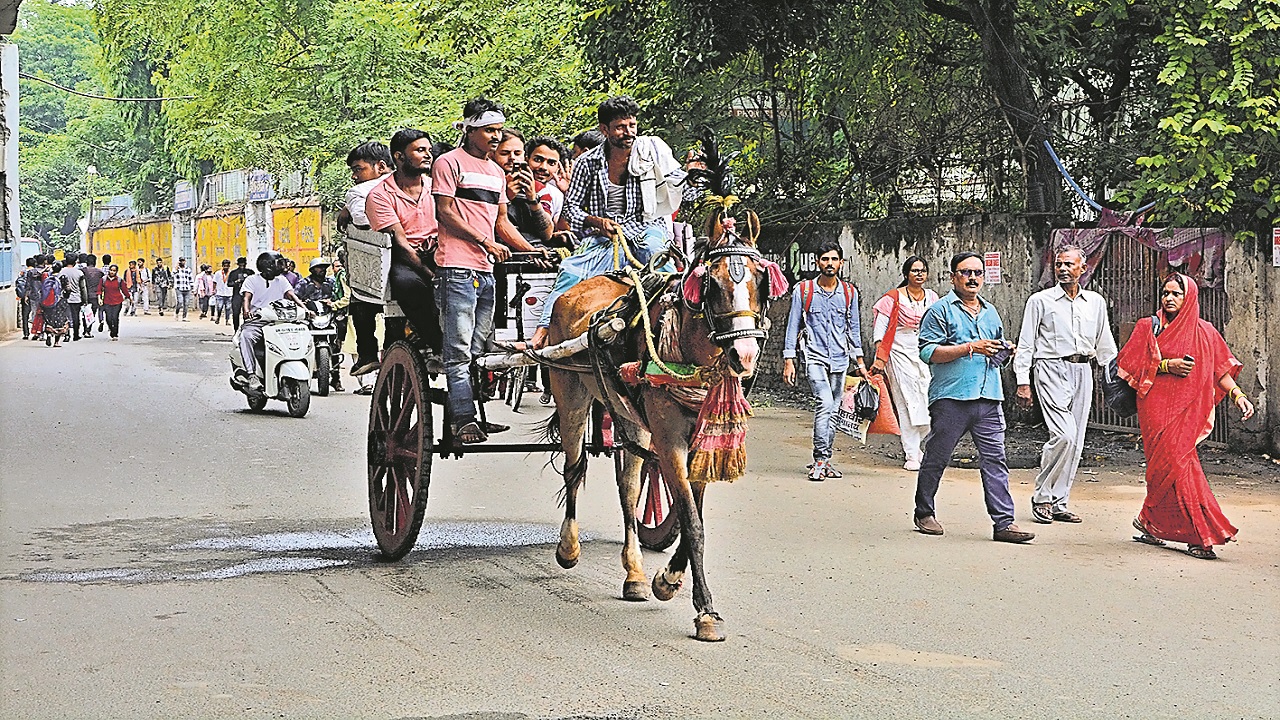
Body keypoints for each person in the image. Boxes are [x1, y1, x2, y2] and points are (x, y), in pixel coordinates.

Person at [529, 96, 684, 350]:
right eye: (621, 127)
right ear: (605, 130)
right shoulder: (586, 163)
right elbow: (571, 209)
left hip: (646, 229)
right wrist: (596, 222)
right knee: (569, 272)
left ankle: (675, 331)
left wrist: (696, 178)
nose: (629, 133)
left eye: (632, 125)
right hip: (603, 239)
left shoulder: (651, 154)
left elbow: (680, 189)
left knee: (663, 267)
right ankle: (542, 333)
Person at [431, 98, 545, 443]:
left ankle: (471, 415)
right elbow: (445, 213)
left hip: (485, 269)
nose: (496, 137)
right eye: (489, 130)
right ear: (469, 129)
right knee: (459, 348)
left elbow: (502, 223)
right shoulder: (448, 163)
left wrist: (533, 251)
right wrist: (485, 241)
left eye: (498, 130)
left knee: (480, 348)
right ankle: (463, 419)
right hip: (456, 266)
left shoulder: (496, 172)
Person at [1119, 273, 1254, 560]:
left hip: (1187, 411)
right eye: (1165, 293)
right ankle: (1194, 534)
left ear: (1189, 297)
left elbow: (1221, 371)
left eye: (1176, 294)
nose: (1168, 298)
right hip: (1155, 410)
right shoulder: (1149, 327)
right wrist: (1166, 365)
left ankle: (1152, 522)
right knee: (1165, 469)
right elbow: (1128, 363)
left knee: (1178, 469)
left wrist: (1239, 396)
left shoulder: (1205, 332)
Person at [912, 252, 1034, 544]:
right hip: (951, 397)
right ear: (953, 277)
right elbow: (928, 353)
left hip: (989, 397)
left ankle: (1003, 523)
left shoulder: (991, 312)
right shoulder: (940, 310)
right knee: (938, 456)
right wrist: (970, 348)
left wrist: (1004, 351)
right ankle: (924, 511)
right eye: (965, 272)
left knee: (996, 460)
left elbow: (995, 355)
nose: (972, 278)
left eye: (978, 273)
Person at [1013, 246, 1118, 524]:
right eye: (1059, 264)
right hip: (1050, 369)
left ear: (1083, 268)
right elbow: (1025, 344)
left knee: (1077, 439)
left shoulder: (1095, 302)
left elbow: (1105, 343)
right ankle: (1042, 496)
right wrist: (1023, 381)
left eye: (1069, 264)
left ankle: (1059, 501)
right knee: (1064, 435)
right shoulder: (1040, 301)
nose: (1063, 269)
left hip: (1083, 369)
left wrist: (1114, 380)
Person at [781, 240, 869, 481]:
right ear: (817, 262)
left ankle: (824, 460)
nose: (829, 263)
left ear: (841, 262)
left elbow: (854, 329)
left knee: (833, 410)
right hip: (814, 357)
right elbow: (793, 325)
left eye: (834, 259)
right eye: (825, 259)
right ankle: (820, 459)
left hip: (840, 360)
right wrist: (789, 359)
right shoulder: (804, 290)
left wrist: (860, 363)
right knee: (825, 405)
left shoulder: (850, 292)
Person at [363, 128, 444, 376]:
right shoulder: (380, 195)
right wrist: (429, 273)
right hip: (405, 259)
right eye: (420, 151)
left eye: (429, 150)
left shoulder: (436, 187)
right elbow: (400, 242)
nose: (428, 155)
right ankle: (439, 345)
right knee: (408, 285)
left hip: (442, 251)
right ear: (399, 157)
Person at [871, 255, 939, 471]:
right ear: (906, 274)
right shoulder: (892, 298)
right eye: (914, 270)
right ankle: (911, 453)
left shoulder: (932, 297)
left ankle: (918, 447)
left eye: (922, 270)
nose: (919, 274)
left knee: (930, 399)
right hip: (899, 352)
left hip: (925, 352)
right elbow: (879, 333)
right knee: (906, 401)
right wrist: (880, 359)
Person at [339, 141, 396, 379]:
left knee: (360, 300)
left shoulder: (358, 192)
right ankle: (393, 348)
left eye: (358, 169)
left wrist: (348, 210)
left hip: (384, 264)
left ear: (380, 166)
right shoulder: (411, 183)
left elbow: (364, 221)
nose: (354, 176)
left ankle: (368, 353)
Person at [237, 251, 308, 392]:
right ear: (268, 266)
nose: (282, 266)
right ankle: (252, 375)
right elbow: (247, 297)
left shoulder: (281, 280)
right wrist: (246, 311)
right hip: (258, 320)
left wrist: (306, 310)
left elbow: (292, 295)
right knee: (246, 336)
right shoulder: (252, 280)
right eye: (279, 263)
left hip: (280, 321)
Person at [295, 257, 343, 391]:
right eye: (319, 267)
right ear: (312, 269)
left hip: (328, 317)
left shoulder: (331, 283)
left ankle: (336, 377)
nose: (322, 270)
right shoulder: (303, 283)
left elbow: (339, 296)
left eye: (324, 267)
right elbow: (294, 298)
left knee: (336, 344)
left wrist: (334, 303)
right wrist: (302, 305)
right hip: (310, 319)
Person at [40, 262, 72, 347]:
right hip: (60, 302)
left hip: (47, 302)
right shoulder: (63, 277)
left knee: (48, 319)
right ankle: (56, 342)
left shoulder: (46, 277)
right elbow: (68, 289)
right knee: (59, 321)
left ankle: (49, 334)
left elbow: (42, 289)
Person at [58, 256, 86, 341]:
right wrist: (85, 300)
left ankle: (67, 334)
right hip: (76, 298)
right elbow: (83, 287)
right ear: (75, 262)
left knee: (65, 317)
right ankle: (76, 335)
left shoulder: (61, 272)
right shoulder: (79, 273)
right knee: (75, 317)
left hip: (64, 298)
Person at [99, 264, 127, 340]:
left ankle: (115, 333)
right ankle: (111, 329)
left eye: (114, 271)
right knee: (108, 318)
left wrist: (129, 298)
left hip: (117, 301)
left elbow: (124, 290)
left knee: (115, 317)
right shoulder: (103, 279)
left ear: (116, 272)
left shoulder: (119, 280)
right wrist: (100, 299)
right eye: (111, 270)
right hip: (107, 301)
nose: (112, 272)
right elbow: (99, 290)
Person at [228, 256, 255, 330]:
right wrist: (236, 282)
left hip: (248, 295)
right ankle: (236, 330)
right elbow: (229, 284)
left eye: (243, 265)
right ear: (238, 264)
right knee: (236, 313)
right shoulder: (233, 273)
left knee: (247, 313)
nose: (242, 266)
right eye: (240, 265)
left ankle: (246, 329)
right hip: (237, 295)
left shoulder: (250, 272)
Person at [81, 254, 103, 338]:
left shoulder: (82, 271)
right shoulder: (100, 272)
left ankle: (85, 329)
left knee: (84, 313)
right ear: (95, 262)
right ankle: (88, 330)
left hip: (84, 296)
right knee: (92, 314)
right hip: (95, 296)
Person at [212, 259, 232, 324]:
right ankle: (218, 317)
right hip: (220, 293)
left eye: (227, 266)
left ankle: (227, 320)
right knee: (219, 307)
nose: (226, 267)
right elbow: (214, 282)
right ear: (222, 266)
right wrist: (214, 290)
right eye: (224, 266)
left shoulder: (231, 273)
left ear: (229, 266)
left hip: (229, 293)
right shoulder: (218, 273)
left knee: (228, 308)